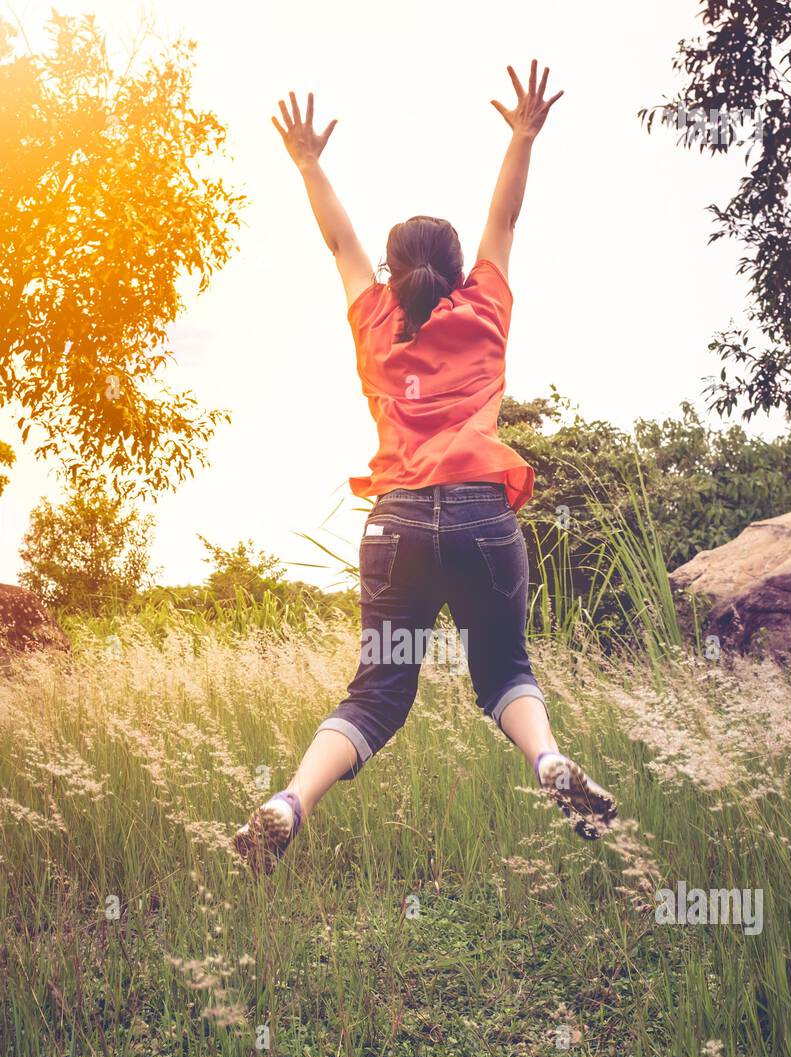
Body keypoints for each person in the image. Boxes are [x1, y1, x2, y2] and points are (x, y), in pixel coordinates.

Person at [235, 61, 617, 870]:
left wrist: (308, 164)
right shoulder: (484, 309)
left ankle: (289, 800)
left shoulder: (374, 318)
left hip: (398, 523)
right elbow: (504, 219)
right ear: (455, 267)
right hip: (481, 518)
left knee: (377, 693)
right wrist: (522, 136)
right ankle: (549, 760)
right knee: (504, 670)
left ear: (390, 268)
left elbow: (337, 241)